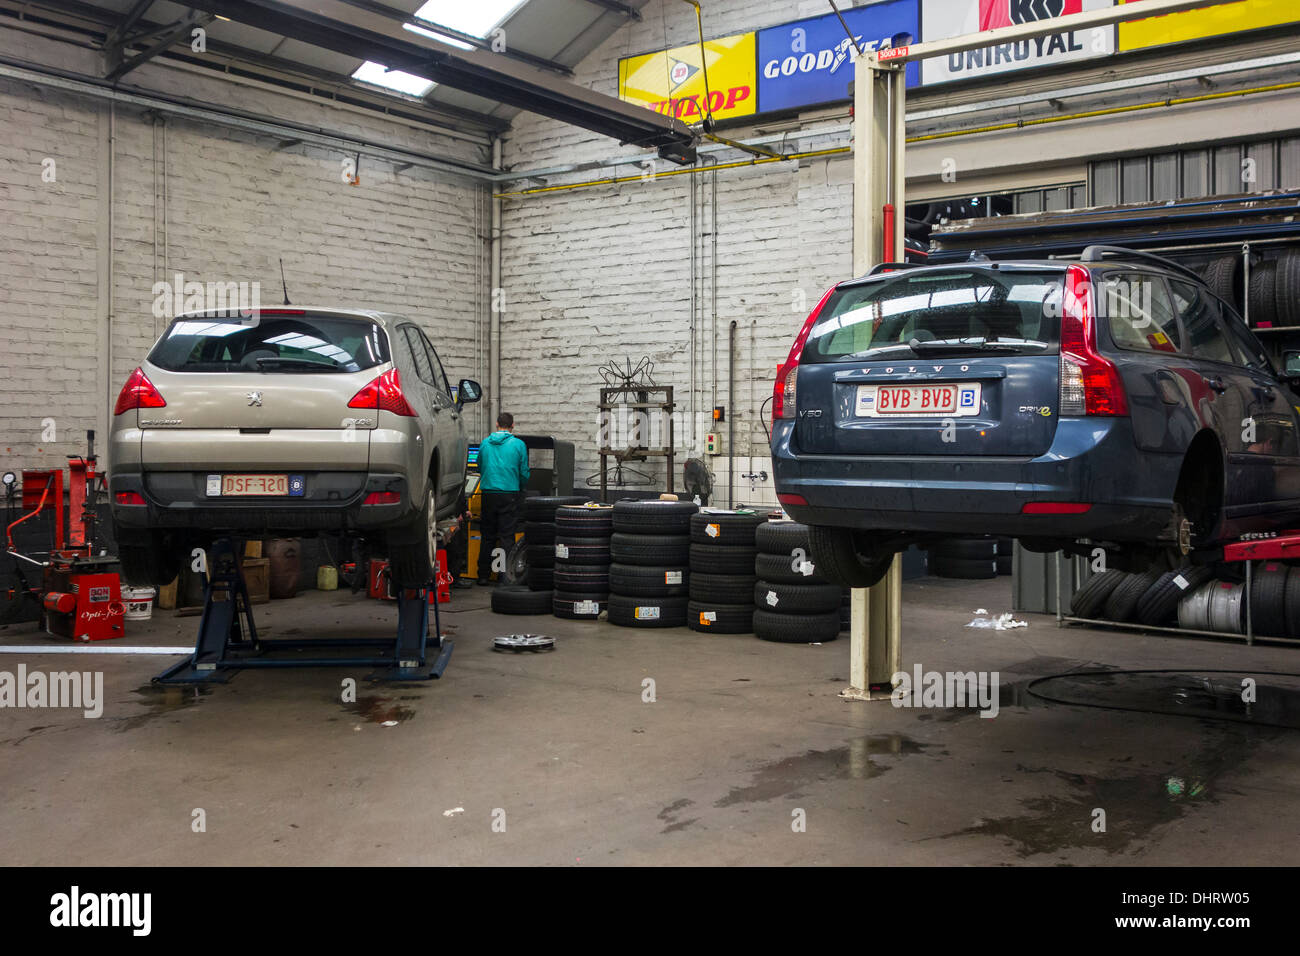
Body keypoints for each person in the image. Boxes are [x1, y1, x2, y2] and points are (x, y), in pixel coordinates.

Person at [475, 412, 529, 586]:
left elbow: (479, 466)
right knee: (506, 536)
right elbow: (524, 473)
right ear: (512, 426)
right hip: (510, 494)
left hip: (488, 493)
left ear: (497, 424)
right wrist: (521, 487)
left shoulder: (484, 444)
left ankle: (483, 575)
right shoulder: (519, 445)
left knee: (488, 535)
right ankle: (504, 576)